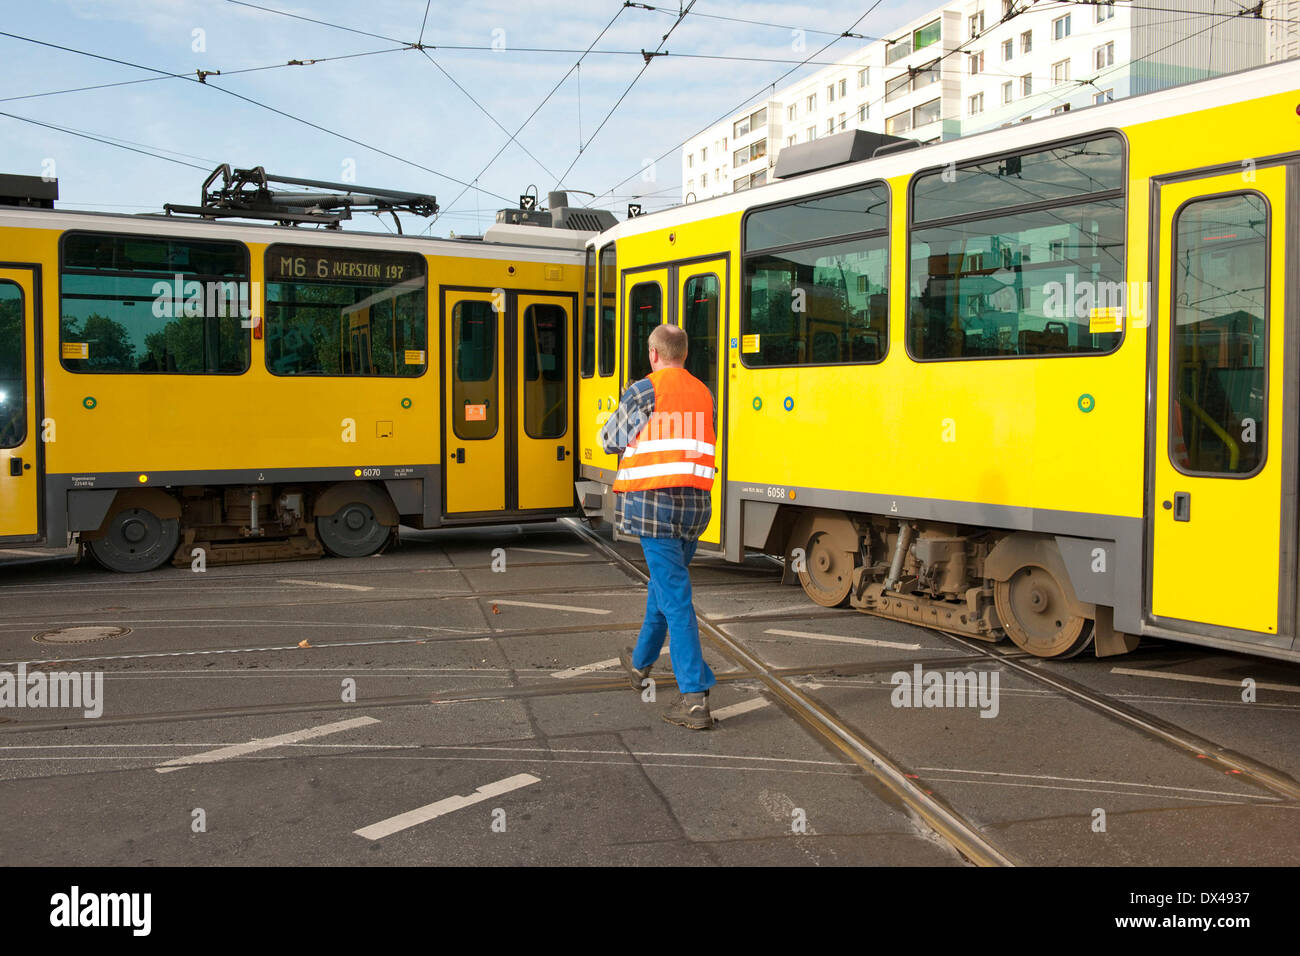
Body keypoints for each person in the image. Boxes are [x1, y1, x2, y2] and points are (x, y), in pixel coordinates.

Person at [599, 323, 717, 729]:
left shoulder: (644, 390)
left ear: (653, 353)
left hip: (655, 507)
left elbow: (609, 440)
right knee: (664, 588)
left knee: (676, 597)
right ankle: (639, 665)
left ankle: (695, 697)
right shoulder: (705, 393)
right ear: (684, 354)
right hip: (696, 507)